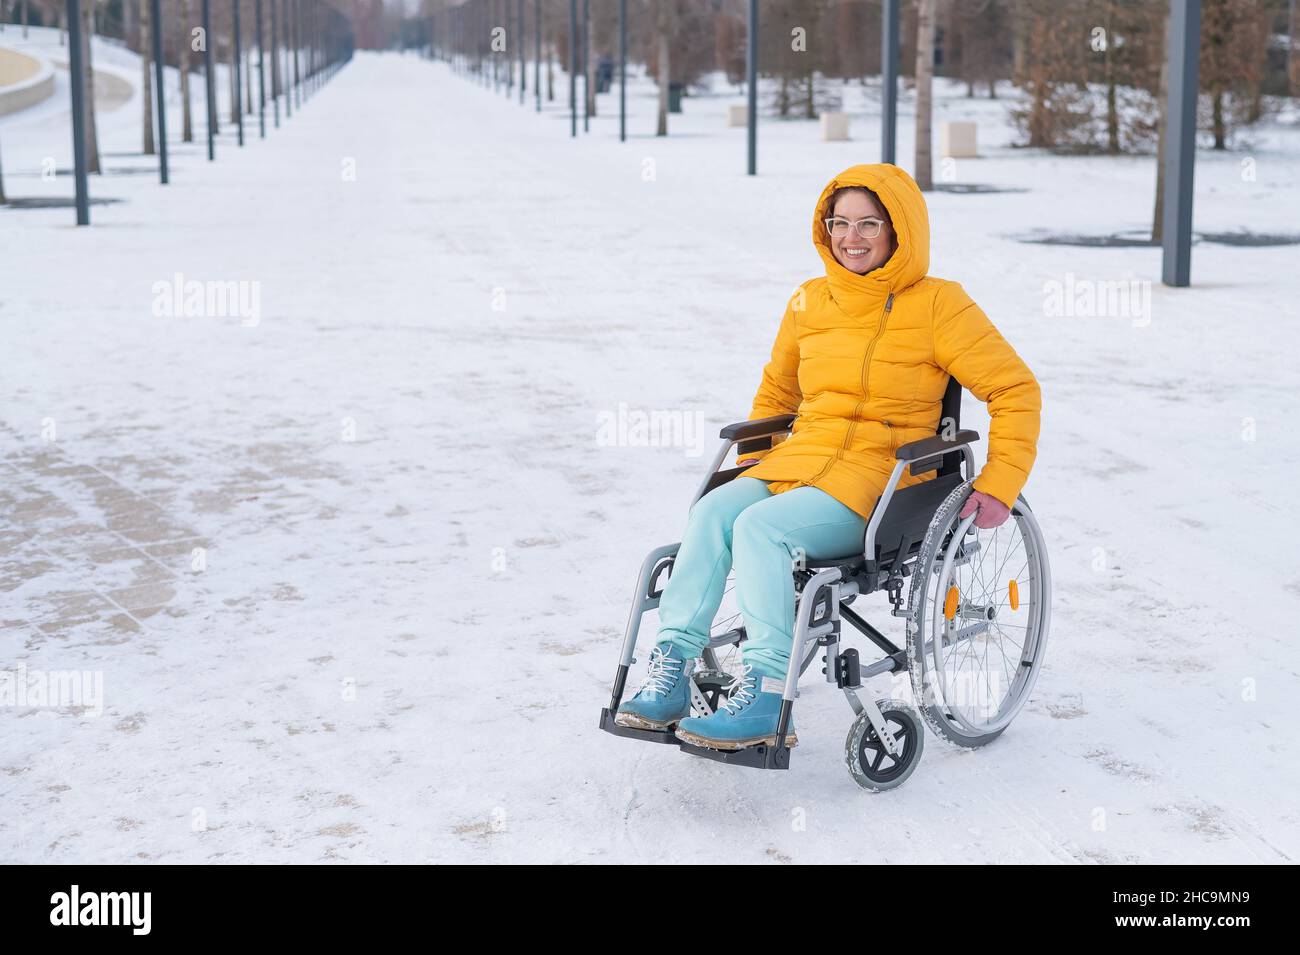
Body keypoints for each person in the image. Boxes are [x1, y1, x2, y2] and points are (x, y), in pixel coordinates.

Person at [616, 163, 1042, 751]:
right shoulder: (809, 300)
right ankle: (671, 671)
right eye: (840, 223)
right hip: (802, 460)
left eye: (869, 224)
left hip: (886, 480)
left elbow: (1015, 390)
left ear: (900, 232)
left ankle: (766, 693)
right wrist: (755, 466)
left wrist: (999, 482)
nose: (852, 238)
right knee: (715, 512)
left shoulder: (940, 304)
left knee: (760, 529)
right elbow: (776, 395)